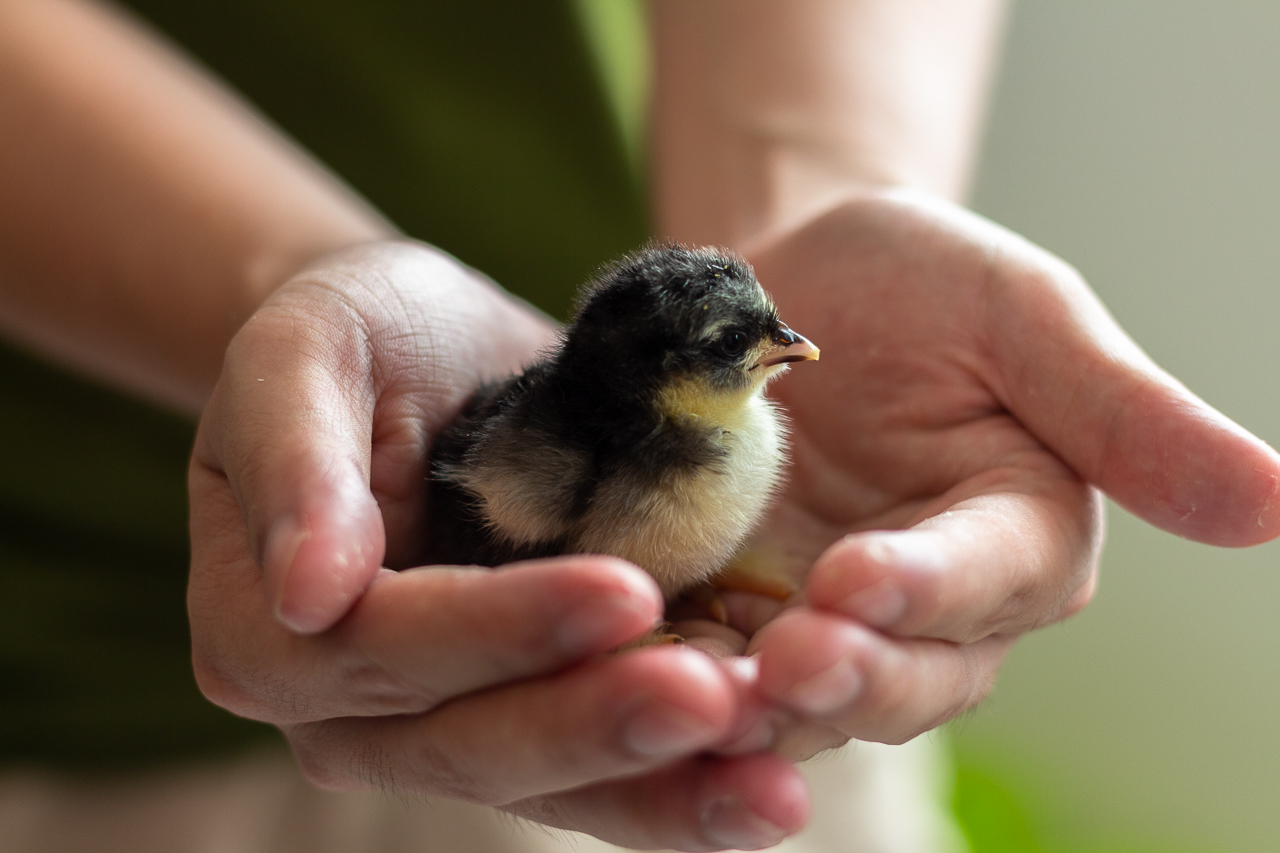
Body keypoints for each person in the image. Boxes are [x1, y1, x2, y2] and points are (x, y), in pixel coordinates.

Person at [2, 0, 1278, 851]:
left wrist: (821, 188)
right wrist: (282, 288)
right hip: (65, 696)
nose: (789, 352)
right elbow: (501, 495)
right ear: (669, 375)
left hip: (683, 721)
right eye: (748, 343)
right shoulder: (577, 456)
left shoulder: (690, 430)